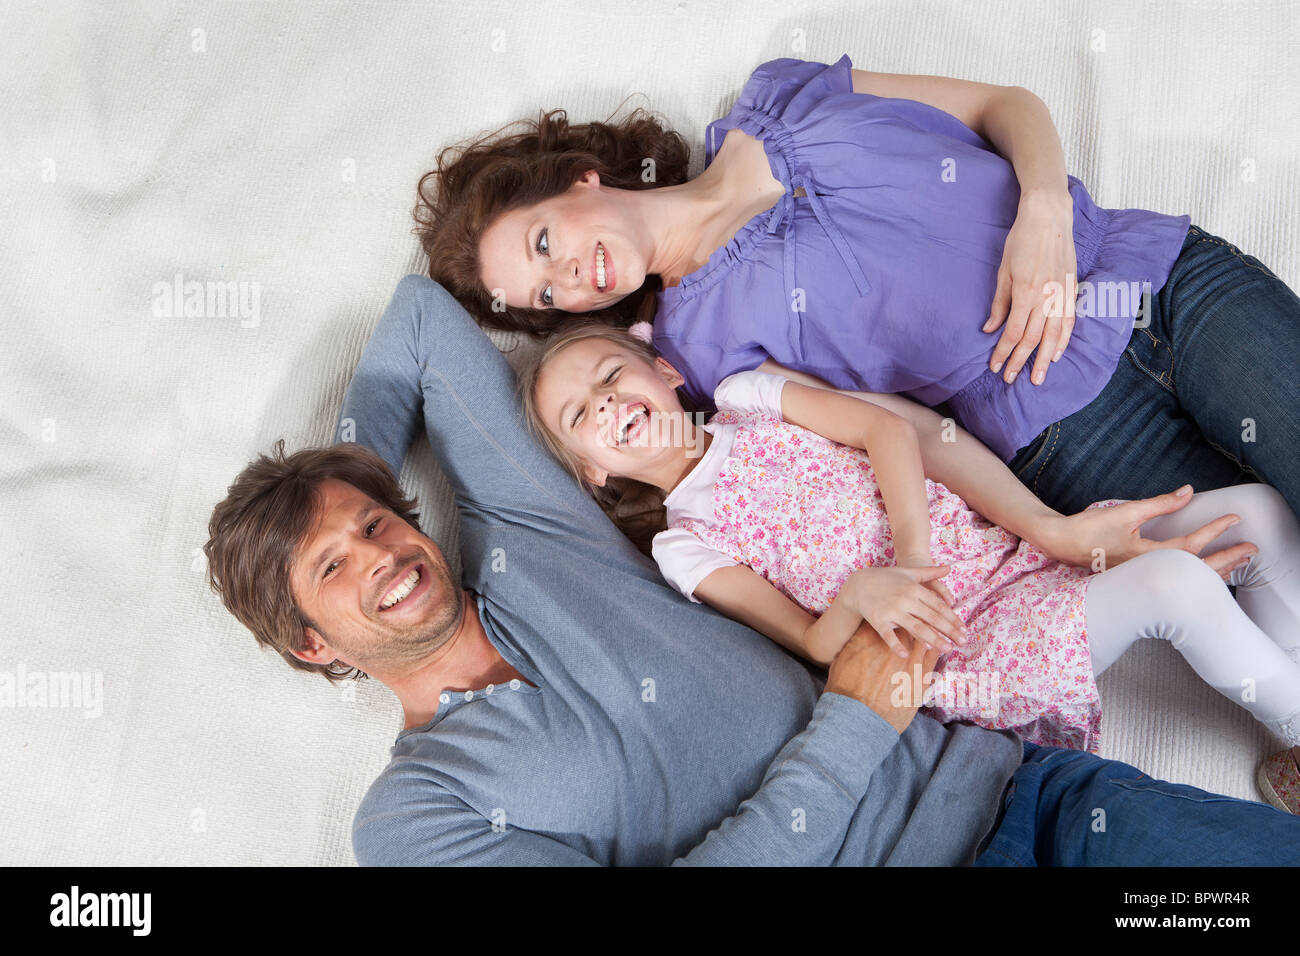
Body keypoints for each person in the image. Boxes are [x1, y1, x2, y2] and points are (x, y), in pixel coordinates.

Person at [205, 277, 1300, 865]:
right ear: (312, 642)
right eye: (332, 567)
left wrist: (337, 471)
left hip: (1035, 795)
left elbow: (420, 326)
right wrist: (853, 724)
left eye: (377, 522)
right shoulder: (414, 815)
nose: (385, 552)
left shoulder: (531, 541)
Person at [419, 53, 1300, 534]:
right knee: (1272, 570)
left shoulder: (780, 93)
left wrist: (1041, 210)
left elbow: (1005, 104)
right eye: (542, 296)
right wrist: (1046, 532)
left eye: (544, 243)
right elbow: (901, 437)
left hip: (1161, 281)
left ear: (578, 182)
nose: (566, 278)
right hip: (1063, 426)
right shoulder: (697, 360)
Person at [517, 318, 1300, 768]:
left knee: (1256, 514)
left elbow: (888, 428)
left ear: (659, 368)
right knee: (1175, 585)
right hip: (964, 644)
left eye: (612, 374)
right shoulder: (683, 542)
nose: (609, 401)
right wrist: (862, 594)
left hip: (1001, 552)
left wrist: (915, 556)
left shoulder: (745, 398)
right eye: (583, 414)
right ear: (591, 470)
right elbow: (812, 641)